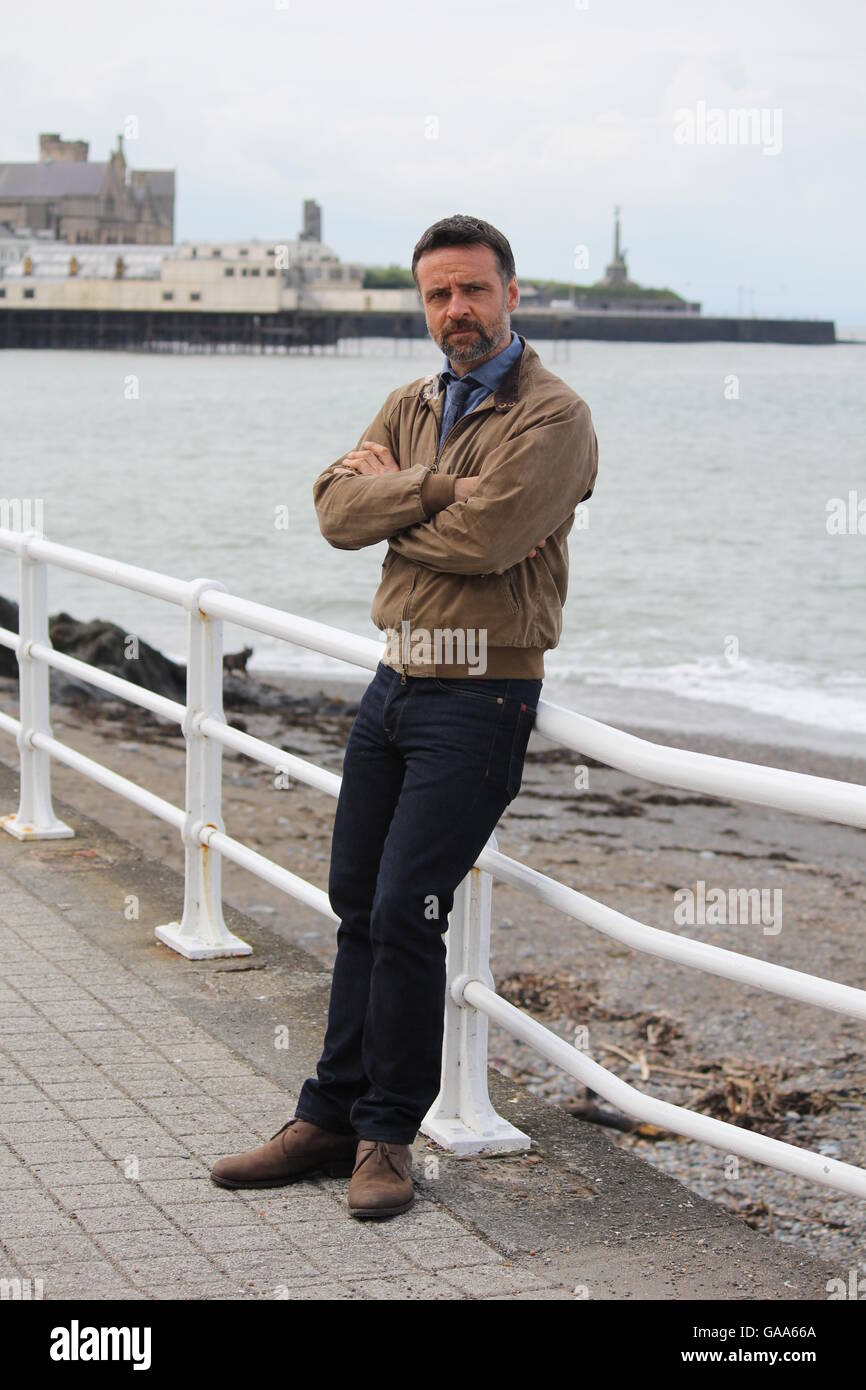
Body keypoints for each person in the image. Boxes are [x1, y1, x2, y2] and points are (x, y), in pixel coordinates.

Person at [211, 214, 598, 1219]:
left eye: (472, 290)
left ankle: (388, 1134)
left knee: (407, 909)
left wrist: (391, 499)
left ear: (511, 294)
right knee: (353, 902)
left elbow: (492, 536)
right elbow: (335, 513)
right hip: (395, 677)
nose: (455, 311)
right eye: (437, 295)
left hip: (481, 690)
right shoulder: (411, 400)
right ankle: (324, 1116)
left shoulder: (554, 417)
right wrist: (427, 487)